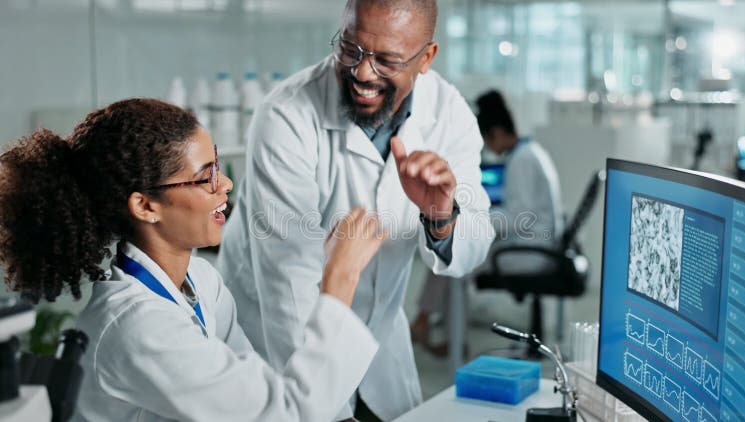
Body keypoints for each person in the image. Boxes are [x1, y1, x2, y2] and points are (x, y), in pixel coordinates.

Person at [0, 98, 385, 422]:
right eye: (205, 178)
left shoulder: (201, 279)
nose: (225, 185)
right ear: (146, 206)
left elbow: (258, 391)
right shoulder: (135, 325)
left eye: (217, 166)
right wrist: (341, 276)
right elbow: (284, 414)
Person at [217, 0, 495, 420]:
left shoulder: (448, 114)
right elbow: (289, 287)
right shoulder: (286, 115)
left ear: (426, 58)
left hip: (378, 337)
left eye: (387, 60)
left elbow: (473, 243)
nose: (363, 72)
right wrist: (328, 412)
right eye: (351, 49)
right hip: (275, 345)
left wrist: (442, 217)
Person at [409, 89, 563, 354]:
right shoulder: (532, 151)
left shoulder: (522, 160)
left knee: (456, 259)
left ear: (497, 133)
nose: (489, 149)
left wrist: (476, 221)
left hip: (528, 252)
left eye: (487, 141)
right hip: (534, 245)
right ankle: (433, 326)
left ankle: (447, 337)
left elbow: (519, 218)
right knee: (451, 254)